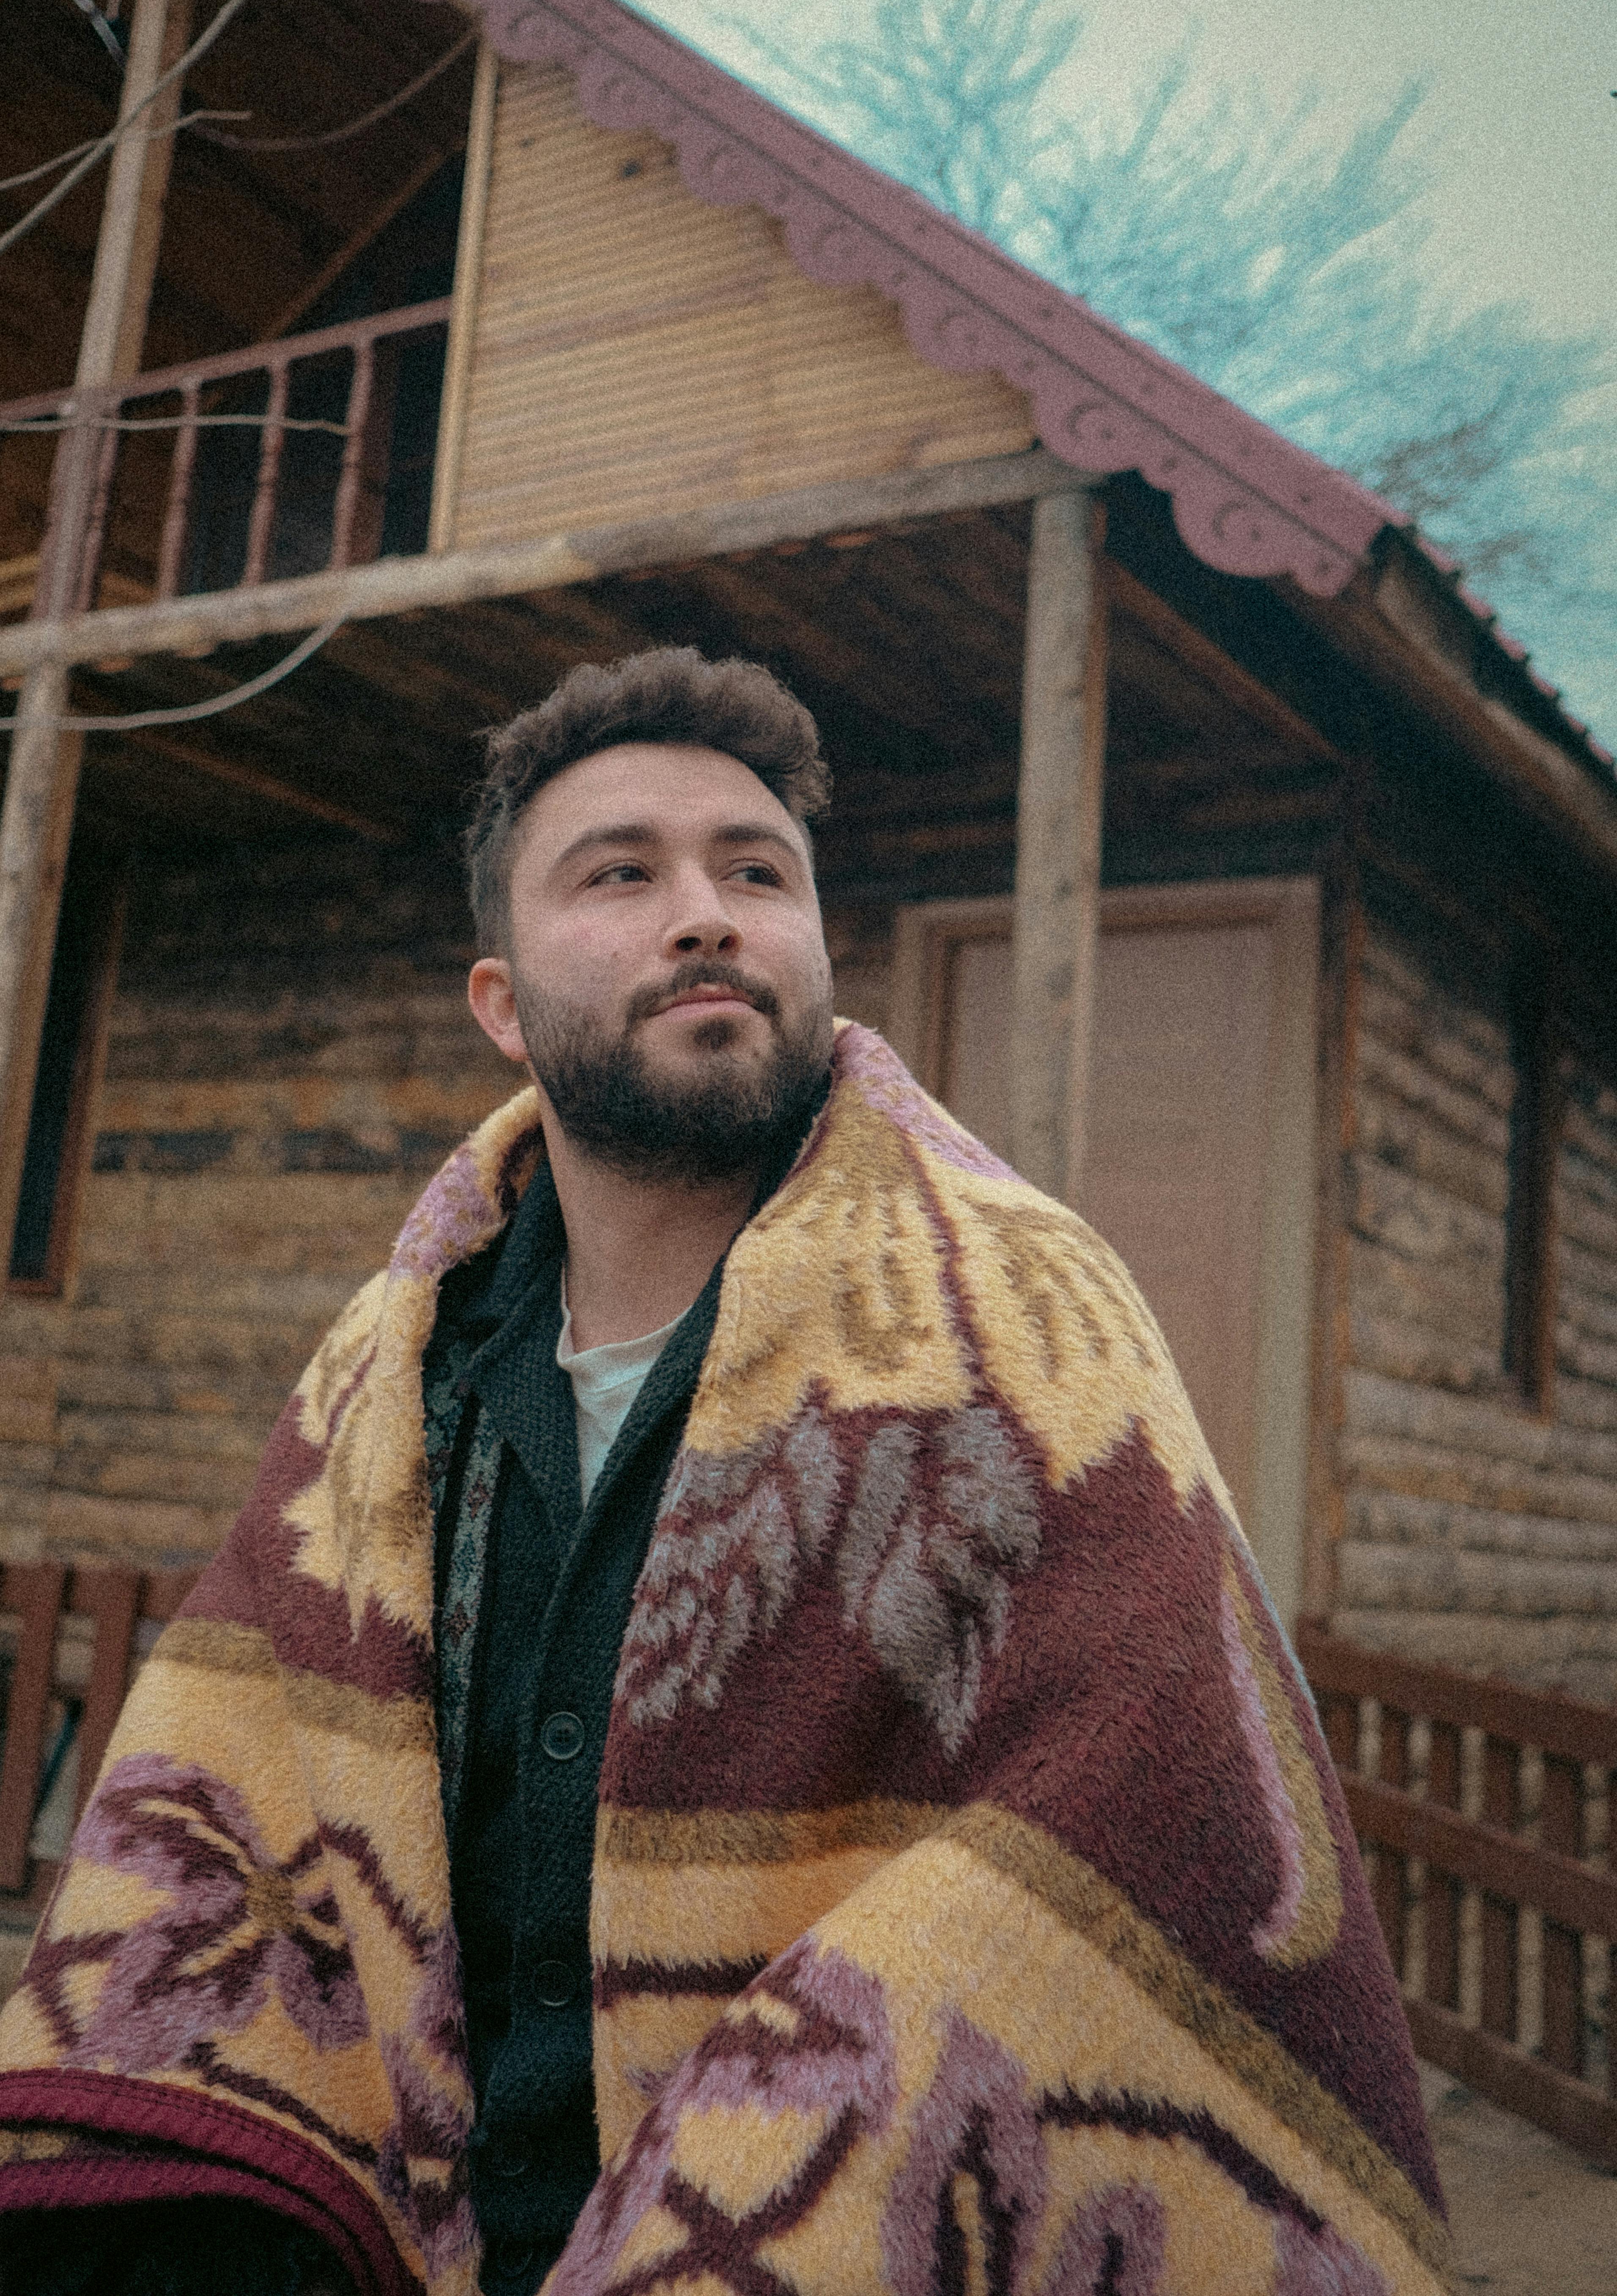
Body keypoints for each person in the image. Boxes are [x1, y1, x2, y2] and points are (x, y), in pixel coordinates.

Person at [0, 649, 1449, 2296]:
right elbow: (245, 1828)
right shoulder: (384, 1384)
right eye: (620, 875)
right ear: (500, 1005)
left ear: (816, 951)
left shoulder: (1033, 1333)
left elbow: (1141, 1846)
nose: (705, 913)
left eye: (754, 873)